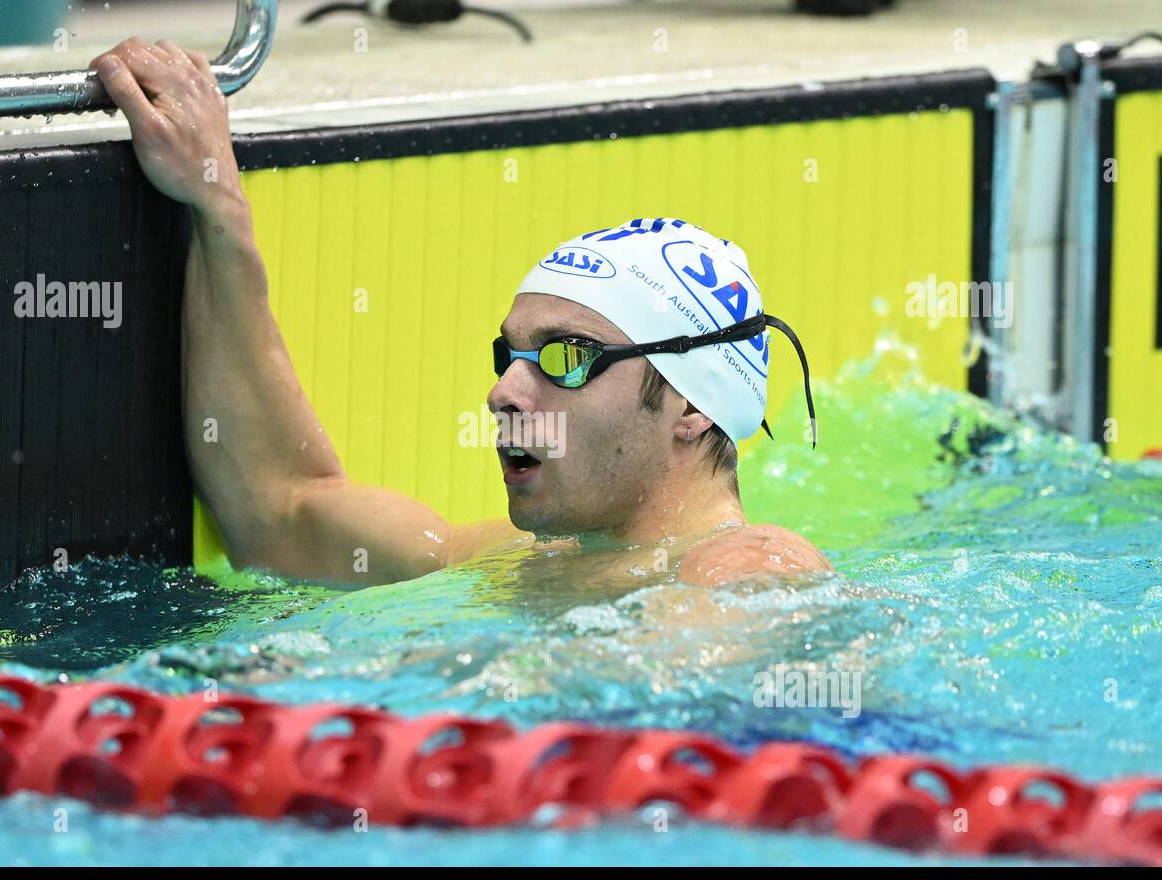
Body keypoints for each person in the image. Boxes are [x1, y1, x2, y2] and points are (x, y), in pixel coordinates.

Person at [90, 38, 833, 589]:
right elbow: (281, 514)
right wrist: (216, 203)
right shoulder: (525, 566)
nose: (505, 392)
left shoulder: (753, 570)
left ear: (691, 407)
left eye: (566, 357)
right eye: (507, 356)